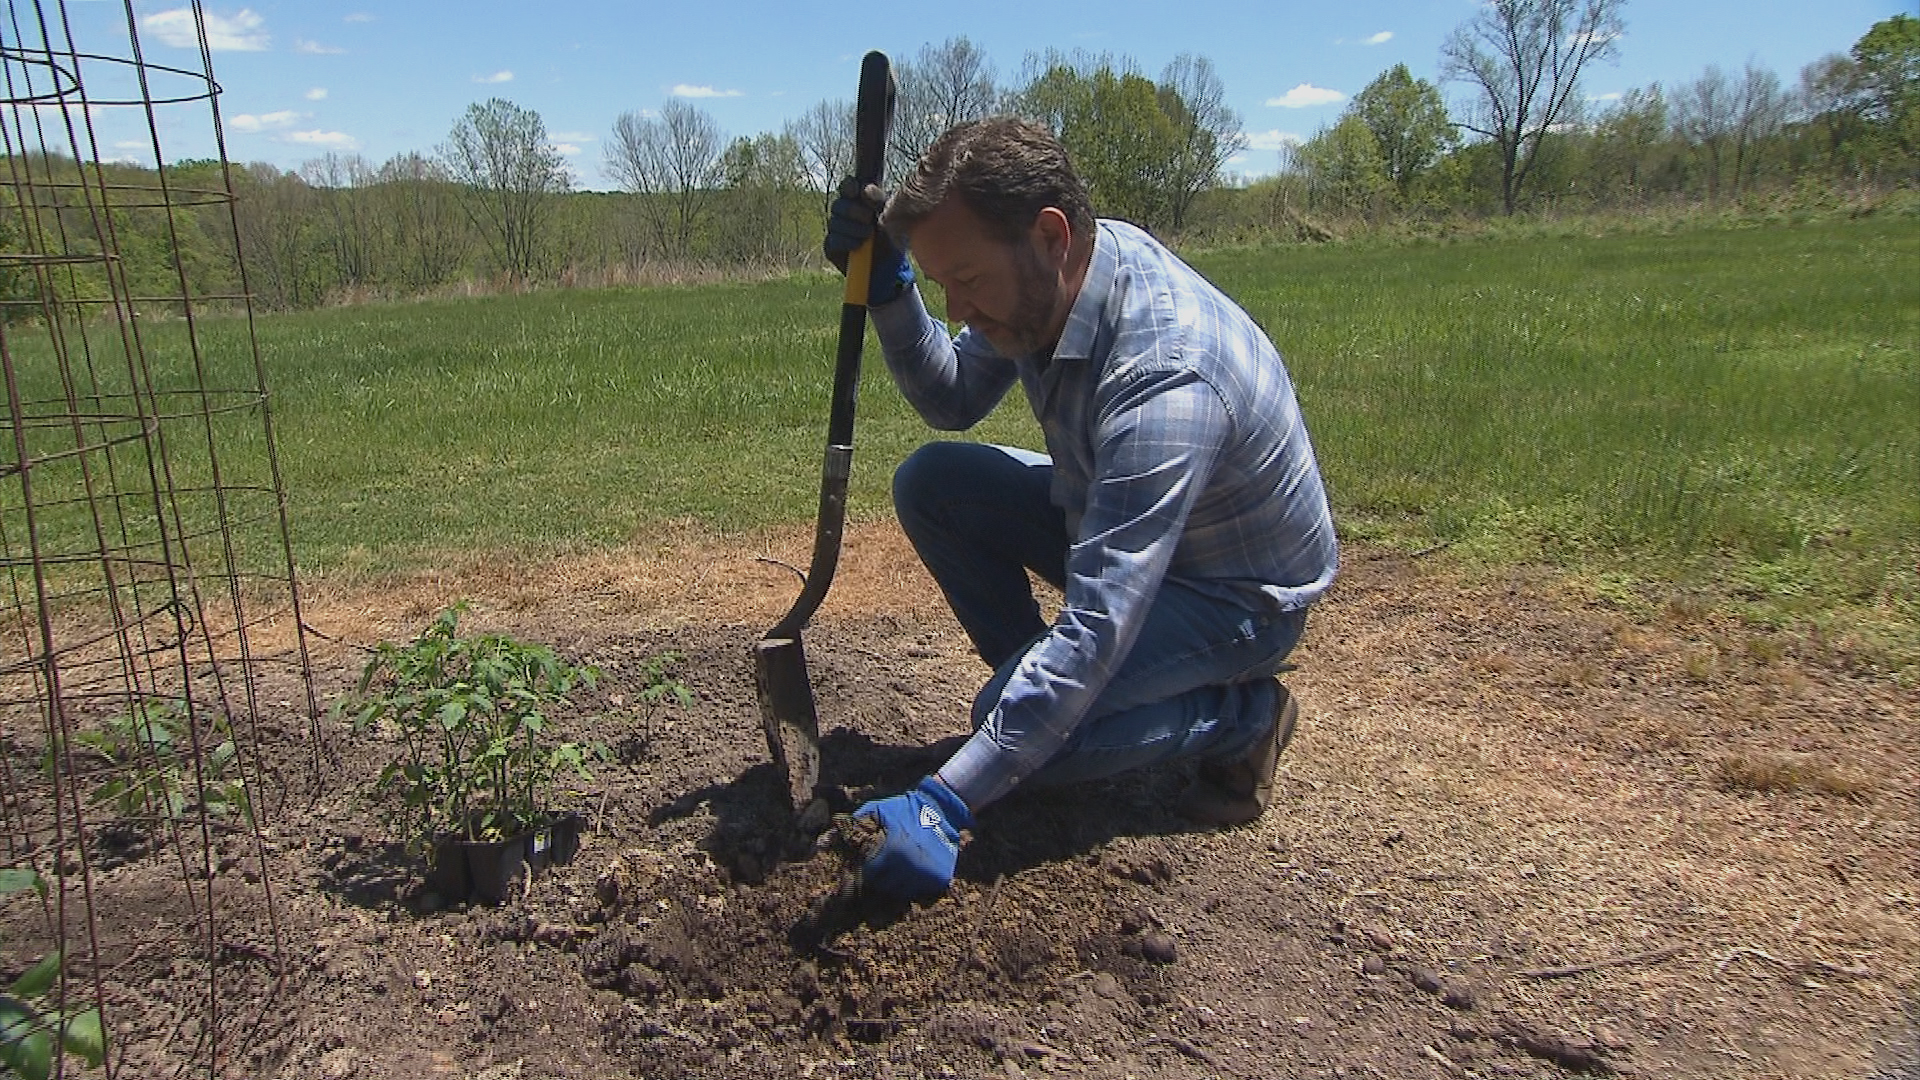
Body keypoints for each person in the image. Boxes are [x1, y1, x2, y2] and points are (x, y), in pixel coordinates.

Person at [823, 117, 1338, 902]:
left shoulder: (1166, 373)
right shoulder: (1055, 281)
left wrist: (946, 799)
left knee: (1011, 714)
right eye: (939, 283)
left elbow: (1098, 627)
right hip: (1117, 520)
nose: (956, 309)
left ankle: (1246, 718)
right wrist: (891, 290)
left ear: (1050, 237)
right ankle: (1051, 710)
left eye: (966, 279)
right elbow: (952, 397)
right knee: (934, 484)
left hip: (1231, 596)